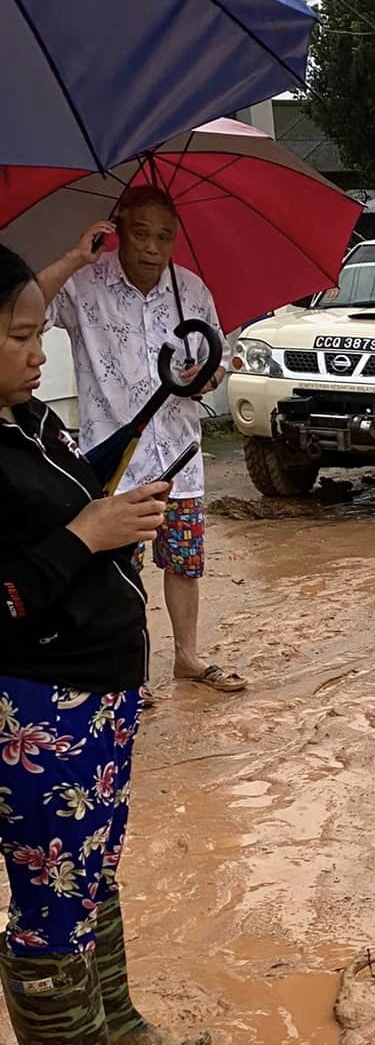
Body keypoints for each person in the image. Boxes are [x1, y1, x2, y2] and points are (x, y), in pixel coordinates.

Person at [0, 242, 206, 1045]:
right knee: (52, 885)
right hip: (38, 705)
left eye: (37, 330)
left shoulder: (22, 422)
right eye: (17, 334)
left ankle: (110, 1023)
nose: (37, 349)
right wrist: (86, 534)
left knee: (91, 869)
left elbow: (72, 494)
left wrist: (119, 470)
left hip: (94, 694)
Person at [37, 186, 247, 696]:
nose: (153, 247)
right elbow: (23, 311)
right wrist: (70, 258)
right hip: (114, 463)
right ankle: (132, 670)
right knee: (117, 569)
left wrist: (206, 378)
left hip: (179, 458)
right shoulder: (84, 286)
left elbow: (216, 360)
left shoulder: (191, 290)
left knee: (183, 562)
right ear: (117, 230)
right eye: (140, 233)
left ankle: (187, 658)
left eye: (164, 236)